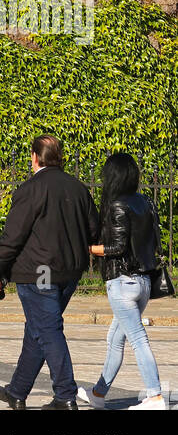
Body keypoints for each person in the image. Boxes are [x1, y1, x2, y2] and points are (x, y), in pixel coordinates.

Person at [0, 134, 99, 411]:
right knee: (37, 329)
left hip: (39, 272)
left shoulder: (32, 188)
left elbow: (13, 235)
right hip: (69, 272)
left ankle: (65, 394)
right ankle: (17, 391)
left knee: (48, 330)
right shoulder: (78, 189)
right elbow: (93, 232)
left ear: (35, 157)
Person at [80, 153, 167, 411]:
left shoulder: (117, 204)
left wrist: (90, 249)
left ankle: (155, 397)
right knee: (115, 338)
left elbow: (116, 247)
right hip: (143, 284)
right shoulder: (145, 202)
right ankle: (98, 393)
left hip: (122, 282)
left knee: (138, 339)